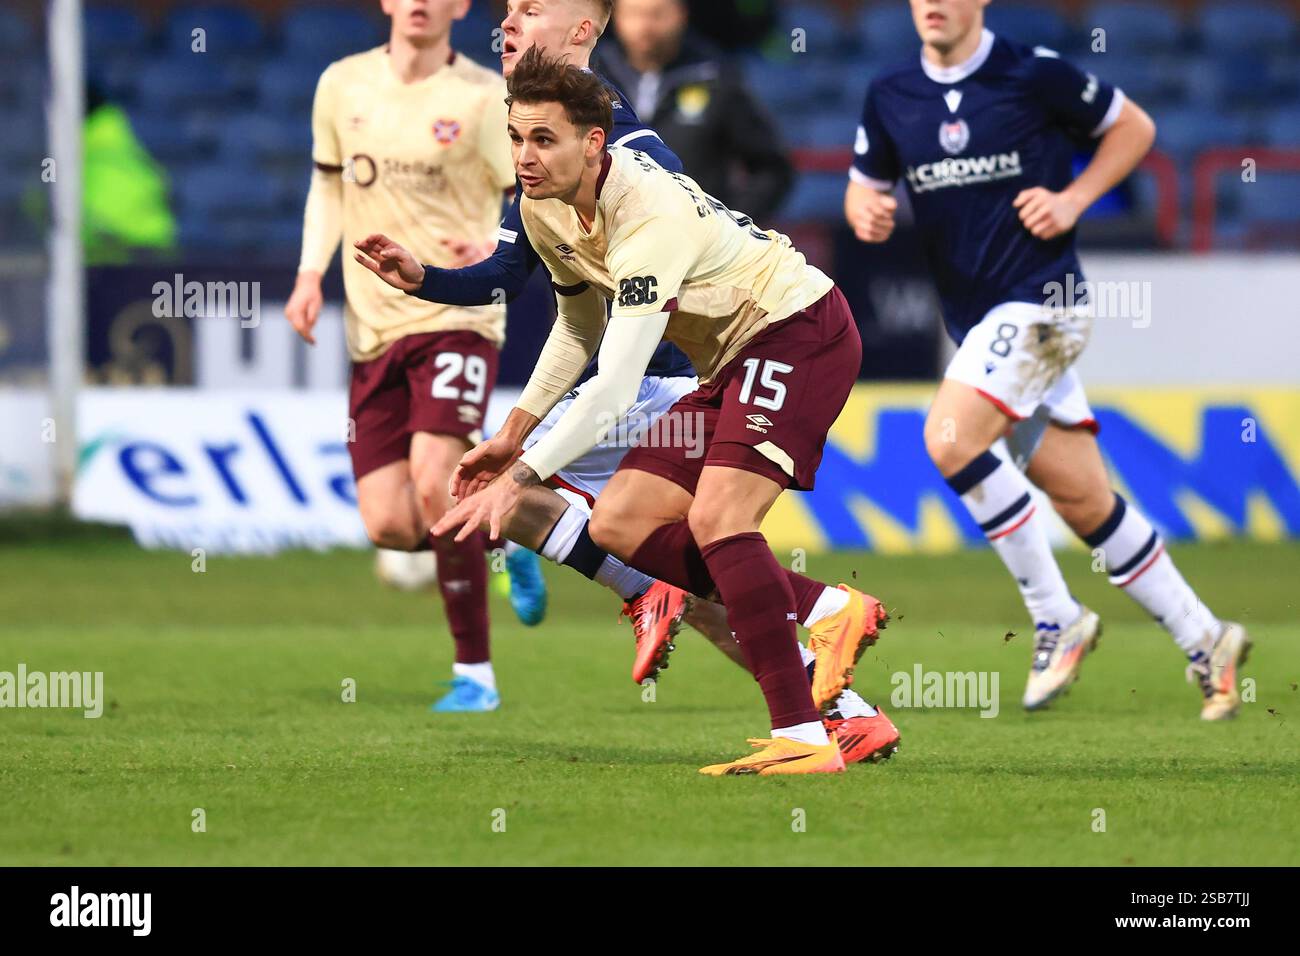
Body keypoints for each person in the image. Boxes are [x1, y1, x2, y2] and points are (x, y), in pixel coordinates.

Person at [356, 1, 901, 765]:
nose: (525, 157)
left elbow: (613, 385)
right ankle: (823, 664)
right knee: (620, 524)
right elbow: (578, 327)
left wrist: (521, 475)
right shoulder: (544, 203)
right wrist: (515, 432)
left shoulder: (648, 210)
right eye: (515, 139)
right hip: (730, 360)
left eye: (542, 140)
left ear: (594, 140)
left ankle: (807, 704)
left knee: (718, 520)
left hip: (796, 329)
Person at [843, 0, 1249, 719]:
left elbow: (1135, 128)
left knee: (948, 437)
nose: (932, 5)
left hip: (1046, 301)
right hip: (977, 322)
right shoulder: (892, 94)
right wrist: (864, 211)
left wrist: (1075, 200)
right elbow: (864, 185)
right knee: (1084, 499)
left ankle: (1054, 614)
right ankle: (1207, 636)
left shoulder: (1033, 74)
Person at [284, 0, 516, 712]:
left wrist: (493, 251)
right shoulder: (341, 84)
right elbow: (328, 183)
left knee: (434, 481)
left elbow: (524, 191)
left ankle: (474, 673)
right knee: (388, 522)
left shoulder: (482, 95)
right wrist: (308, 274)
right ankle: (512, 533)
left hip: (456, 311)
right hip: (372, 324)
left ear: (459, 7)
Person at [597, 0, 794, 221]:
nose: (645, 26)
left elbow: (772, 169)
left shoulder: (716, 75)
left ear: (681, 14)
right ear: (614, 16)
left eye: (657, 14)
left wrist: (729, 222)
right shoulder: (591, 76)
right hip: (608, 237)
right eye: (634, 14)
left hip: (699, 242)